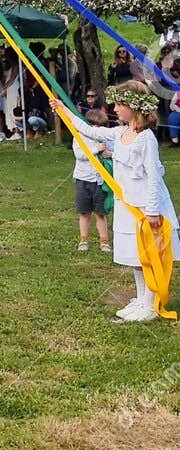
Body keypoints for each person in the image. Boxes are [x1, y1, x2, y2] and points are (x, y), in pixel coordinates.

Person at [58, 85, 178, 322]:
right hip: (127, 205)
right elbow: (88, 130)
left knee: (148, 256)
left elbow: (154, 177)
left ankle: (151, 303)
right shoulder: (119, 133)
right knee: (134, 257)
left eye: (119, 104)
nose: (114, 109)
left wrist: (153, 210)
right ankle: (141, 298)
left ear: (133, 107)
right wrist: (63, 109)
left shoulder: (146, 138)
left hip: (145, 208)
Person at [72, 107, 110, 254]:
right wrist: (96, 149)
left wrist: (108, 153)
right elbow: (80, 155)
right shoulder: (79, 137)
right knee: (84, 212)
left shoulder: (104, 137)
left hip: (99, 180)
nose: (96, 129)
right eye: (94, 125)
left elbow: (111, 151)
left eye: (100, 126)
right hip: (83, 180)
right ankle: (83, 239)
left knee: (100, 213)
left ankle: (104, 241)